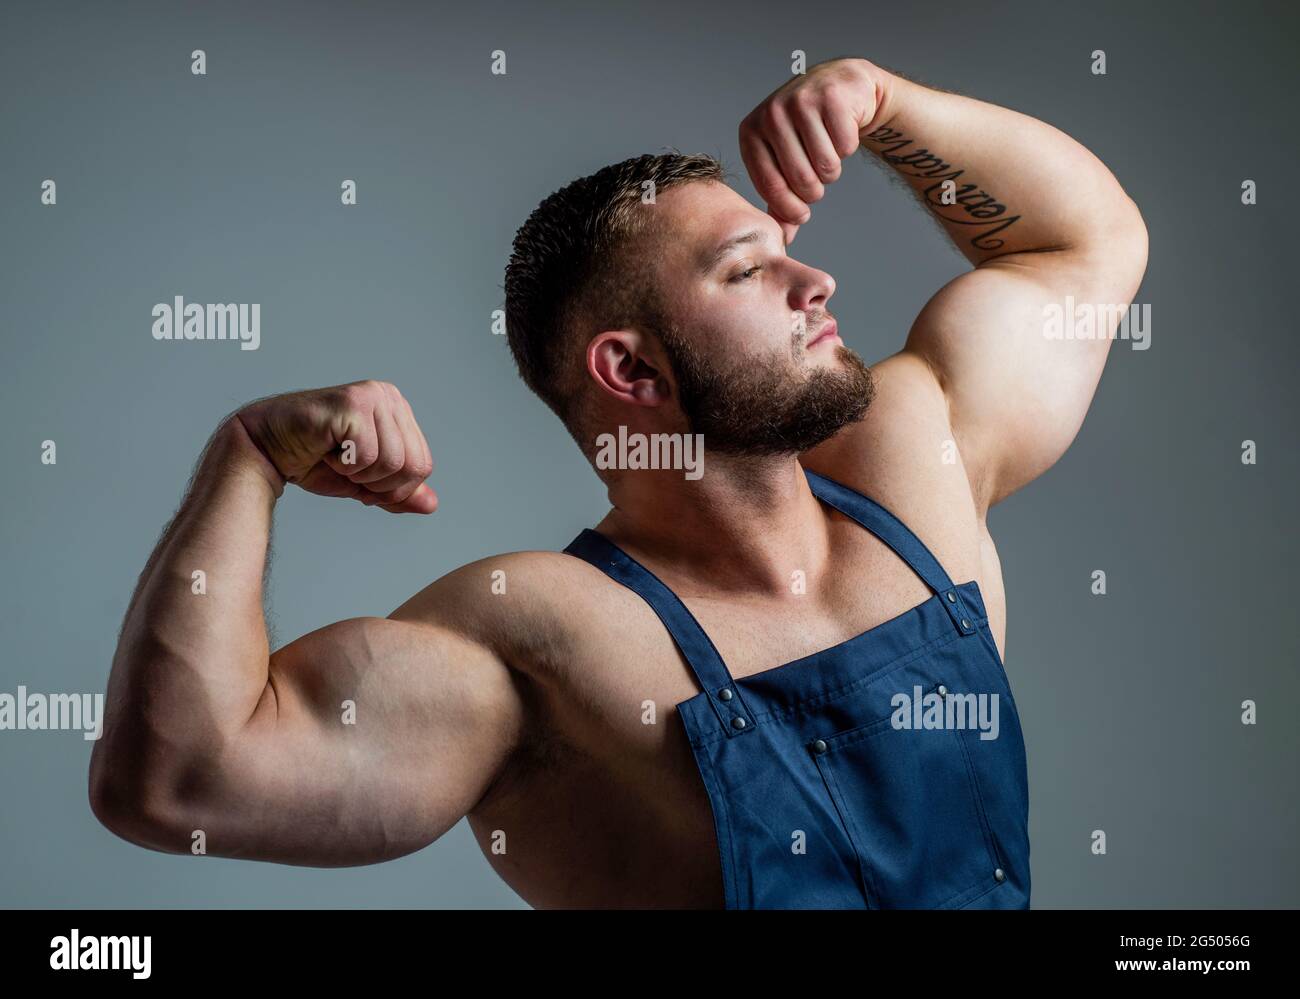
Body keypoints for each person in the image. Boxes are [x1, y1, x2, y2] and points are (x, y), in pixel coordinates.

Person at [89, 57, 1148, 908]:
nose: (813, 279)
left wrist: (883, 101)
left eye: (782, 252)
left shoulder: (916, 465)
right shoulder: (545, 639)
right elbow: (177, 782)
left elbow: (1082, 247)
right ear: (630, 370)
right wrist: (249, 458)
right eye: (747, 270)